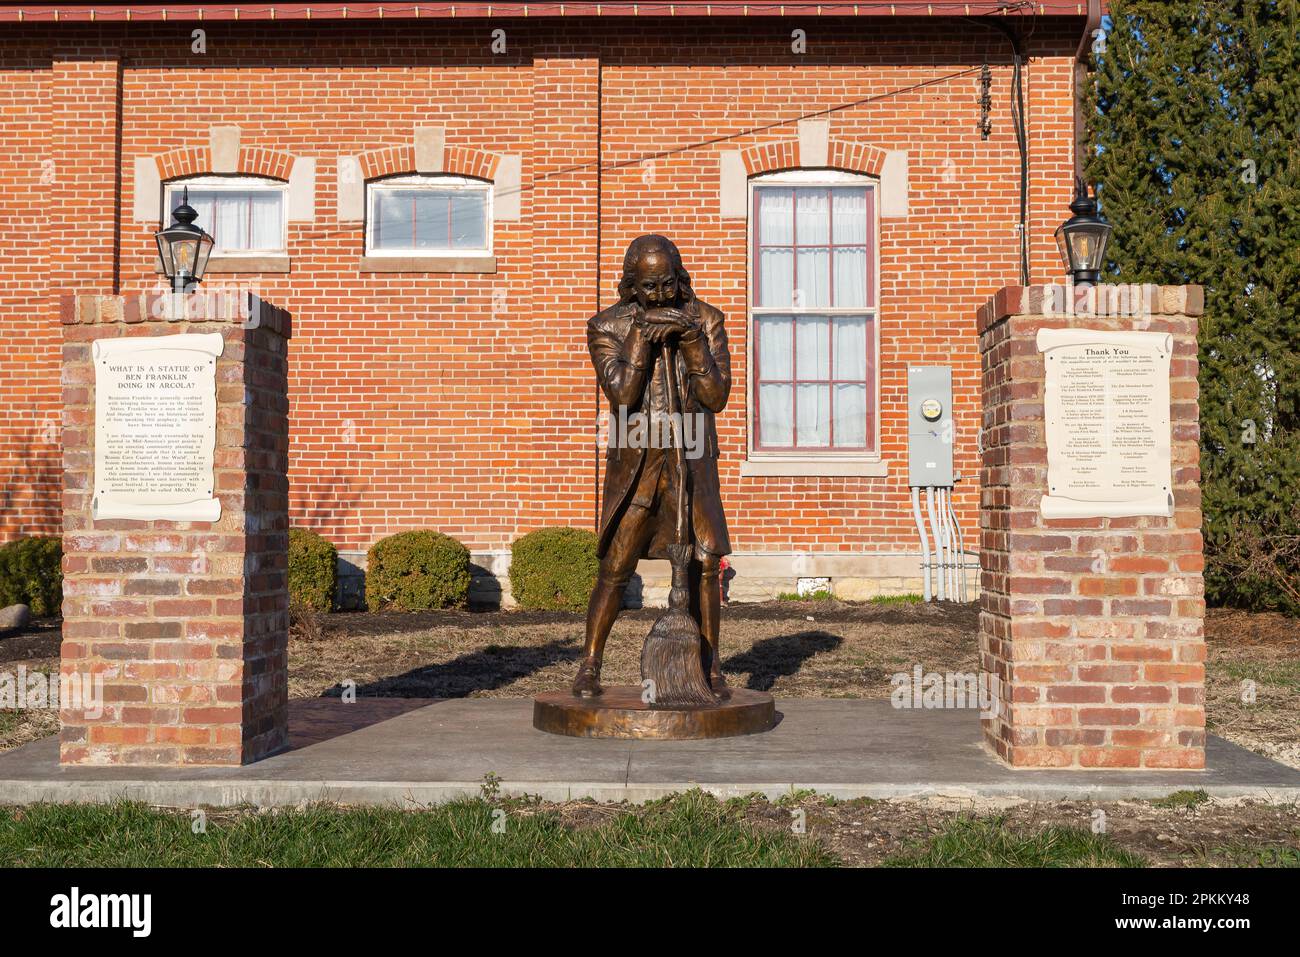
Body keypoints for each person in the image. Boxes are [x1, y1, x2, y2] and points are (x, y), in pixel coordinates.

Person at [573, 234, 733, 700]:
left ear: (679, 278)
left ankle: (711, 666)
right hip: (639, 457)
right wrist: (641, 337)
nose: (660, 296)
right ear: (631, 286)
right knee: (616, 564)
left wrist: (691, 341)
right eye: (649, 287)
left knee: (705, 561)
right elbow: (621, 393)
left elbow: (716, 397)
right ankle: (589, 664)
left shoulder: (706, 320)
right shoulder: (606, 326)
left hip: (692, 457)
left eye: (667, 284)